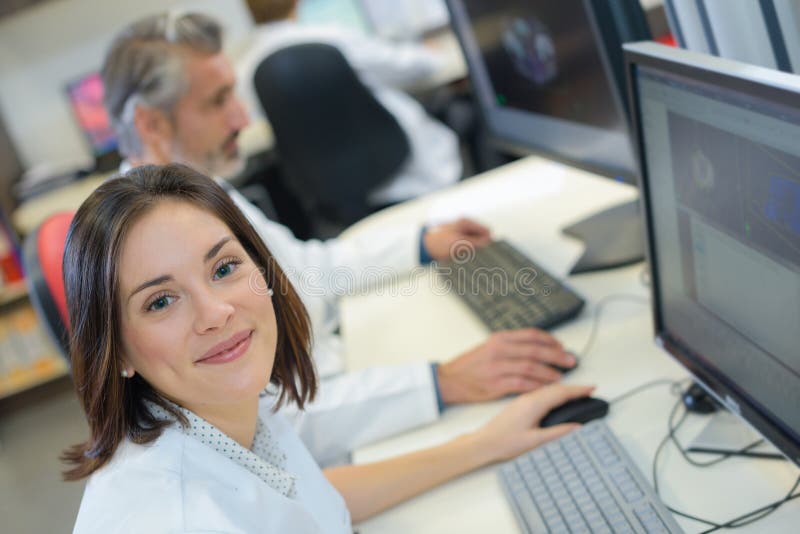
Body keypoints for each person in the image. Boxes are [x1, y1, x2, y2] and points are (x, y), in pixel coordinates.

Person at [101, 12, 577, 465]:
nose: (242, 118)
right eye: (218, 100)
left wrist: (419, 243)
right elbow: (271, 419)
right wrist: (440, 382)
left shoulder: (196, 196)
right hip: (330, 437)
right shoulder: (148, 250)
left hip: (344, 381)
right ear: (152, 125)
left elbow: (310, 270)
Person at [64, 163, 594, 532]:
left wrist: (484, 445)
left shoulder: (220, 412)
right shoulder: (183, 517)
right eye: (160, 302)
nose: (217, 312)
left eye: (224, 268)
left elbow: (311, 499)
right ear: (119, 352)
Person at [237, 0, 461, 206]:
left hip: (332, 192)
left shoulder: (246, 67)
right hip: (405, 173)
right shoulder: (328, 37)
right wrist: (430, 53)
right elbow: (410, 65)